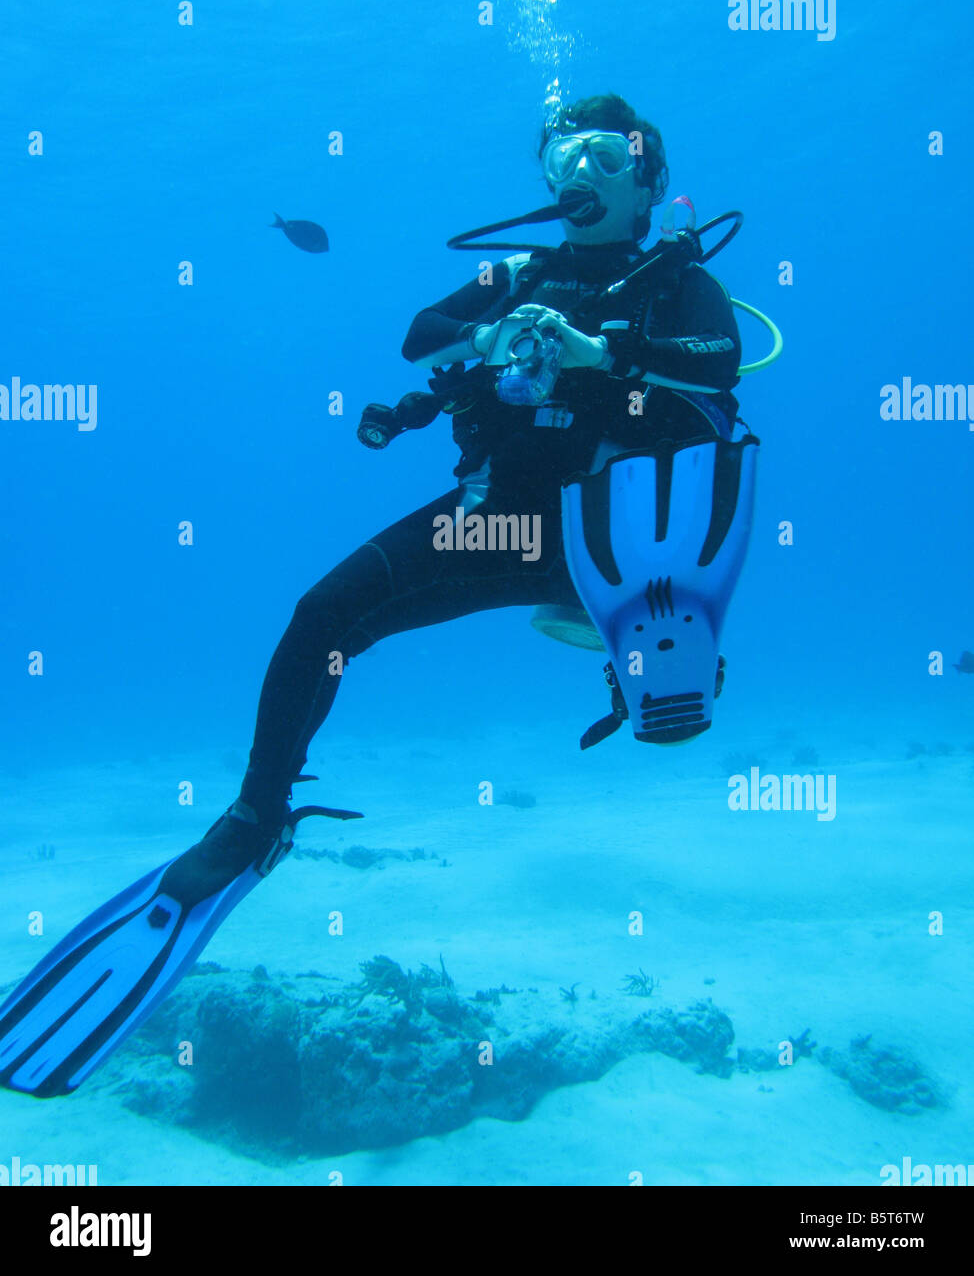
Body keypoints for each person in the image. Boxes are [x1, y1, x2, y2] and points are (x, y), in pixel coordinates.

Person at [0, 94, 757, 1097]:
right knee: (322, 613)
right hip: (502, 519)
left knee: (668, 696)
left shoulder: (679, 281)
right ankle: (254, 816)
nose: (579, 170)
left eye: (605, 154)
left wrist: (597, 350)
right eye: (560, 152)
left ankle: (642, 650)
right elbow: (418, 335)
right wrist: (495, 333)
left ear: (646, 177)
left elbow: (720, 362)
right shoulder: (514, 272)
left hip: (618, 536)